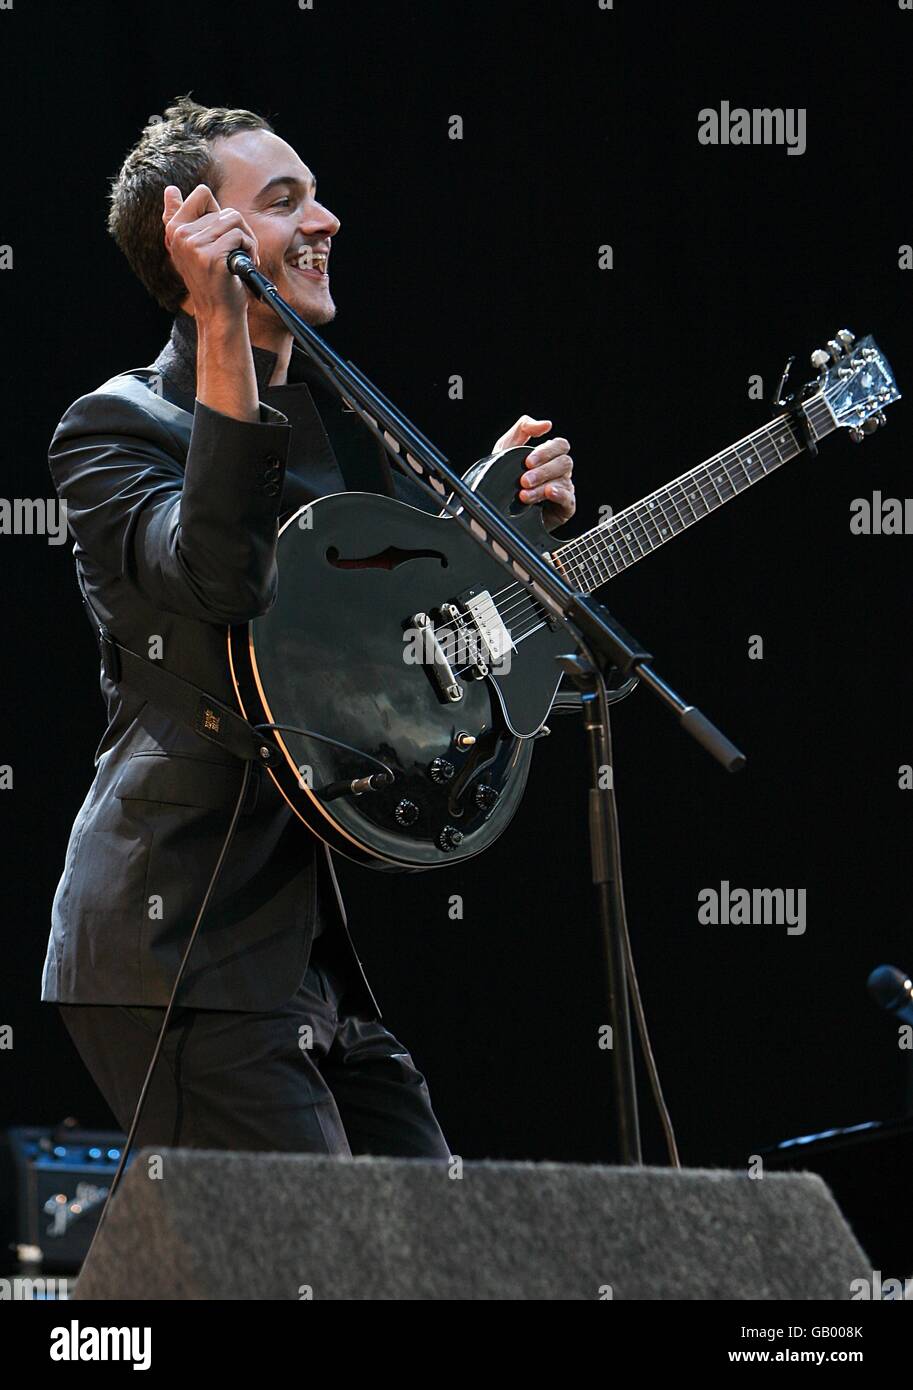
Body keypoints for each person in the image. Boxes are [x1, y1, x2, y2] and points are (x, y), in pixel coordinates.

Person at [45, 96, 576, 1159]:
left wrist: (506, 557)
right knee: (316, 1259)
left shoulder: (336, 453)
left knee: (430, 1249)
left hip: (300, 956)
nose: (325, 221)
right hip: (175, 946)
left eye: (316, 194)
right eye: (285, 201)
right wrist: (218, 324)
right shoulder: (112, 431)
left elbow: (390, 683)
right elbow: (220, 574)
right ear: (199, 239)